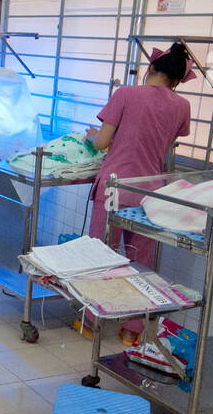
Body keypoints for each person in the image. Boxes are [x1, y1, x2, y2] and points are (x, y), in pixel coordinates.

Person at [83, 42, 194, 342]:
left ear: (150, 70)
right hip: (150, 193)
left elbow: (102, 143)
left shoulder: (126, 94)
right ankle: (133, 330)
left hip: (116, 187)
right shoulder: (182, 106)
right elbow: (163, 141)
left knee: (99, 255)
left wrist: (95, 136)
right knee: (141, 261)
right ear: (175, 80)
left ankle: (91, 322)